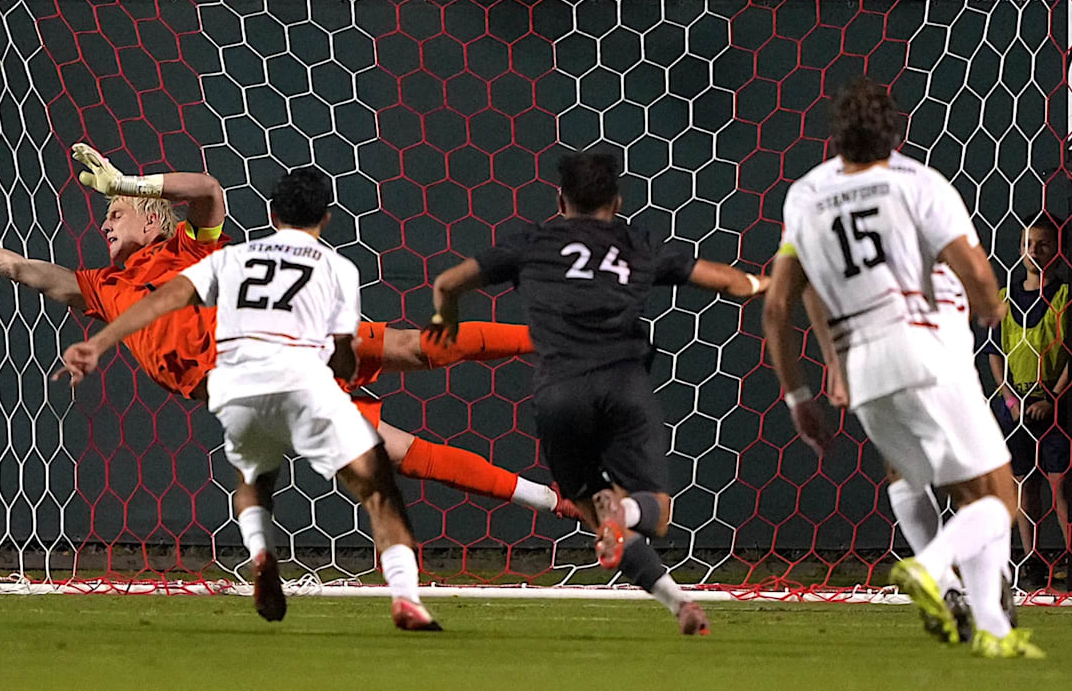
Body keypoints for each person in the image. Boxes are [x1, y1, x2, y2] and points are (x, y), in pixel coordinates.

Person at [0, 143, 574, 518]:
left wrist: (135, 178)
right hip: (254, 389)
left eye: (118, 211)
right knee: (391, 452)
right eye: (105, 215)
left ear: (155, 219)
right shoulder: (100, 289)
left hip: (275, 340)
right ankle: (554, 501)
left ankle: (557, 343)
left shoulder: (189, 248)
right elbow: (22, 268)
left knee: (406, 347)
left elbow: (210, 189)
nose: (106, 222)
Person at [56, 168, 440, 630]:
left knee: (252, 483)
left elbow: (160, 302)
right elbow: (341, 349)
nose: (106, 224)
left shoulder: (229, 261)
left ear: (273, 215)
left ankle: (261, 554)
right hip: (296, 375)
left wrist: (96, 345)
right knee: (376, 483)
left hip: (233, 387)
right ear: (327, 218)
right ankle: (405, 595)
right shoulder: (336, 266)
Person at [424, 151, 770, 637]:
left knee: (596, 511)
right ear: (617, 201)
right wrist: (765, 283)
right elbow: (728, 282)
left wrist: (446, 318)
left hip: (558, 396)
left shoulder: (532, 244)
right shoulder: (636, 244)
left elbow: (447, 282)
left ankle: (677, 604)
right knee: (653, 512)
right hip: (623, 387)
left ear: (559, 199)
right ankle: (629, 524)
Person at [763, 77, 1040, 658]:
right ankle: (937, 571)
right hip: (927, 353)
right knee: (995, 498)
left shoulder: (806, 194)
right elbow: (977, 273)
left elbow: (784, 299)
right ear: (895, 135)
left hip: (863, 367)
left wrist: (810, 384)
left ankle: (990, 624)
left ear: (836, 137)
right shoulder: (920, 186)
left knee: (906, 474)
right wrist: (992, 309)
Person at [805, 259, 1014, 642]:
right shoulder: (945, 264)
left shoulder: (879, 271)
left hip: (887, 377)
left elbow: (809, 287)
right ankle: (980, 580)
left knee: (905, 475)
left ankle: (947, 583)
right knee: (990, 497)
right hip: (946, 383)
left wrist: (833, 364)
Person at [982, 213, 1072, 588]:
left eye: (1044, 244)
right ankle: (1031, 561)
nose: (1034, 251)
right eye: (1028, 244)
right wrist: (1008, 397)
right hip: (1015, 404)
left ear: (1058, 250)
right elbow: (992, 351)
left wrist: (1051, 398)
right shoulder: (1004, 298)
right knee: (1023, 482)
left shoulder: (1066, 296)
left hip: (1054, 401)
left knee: (1062, 483)